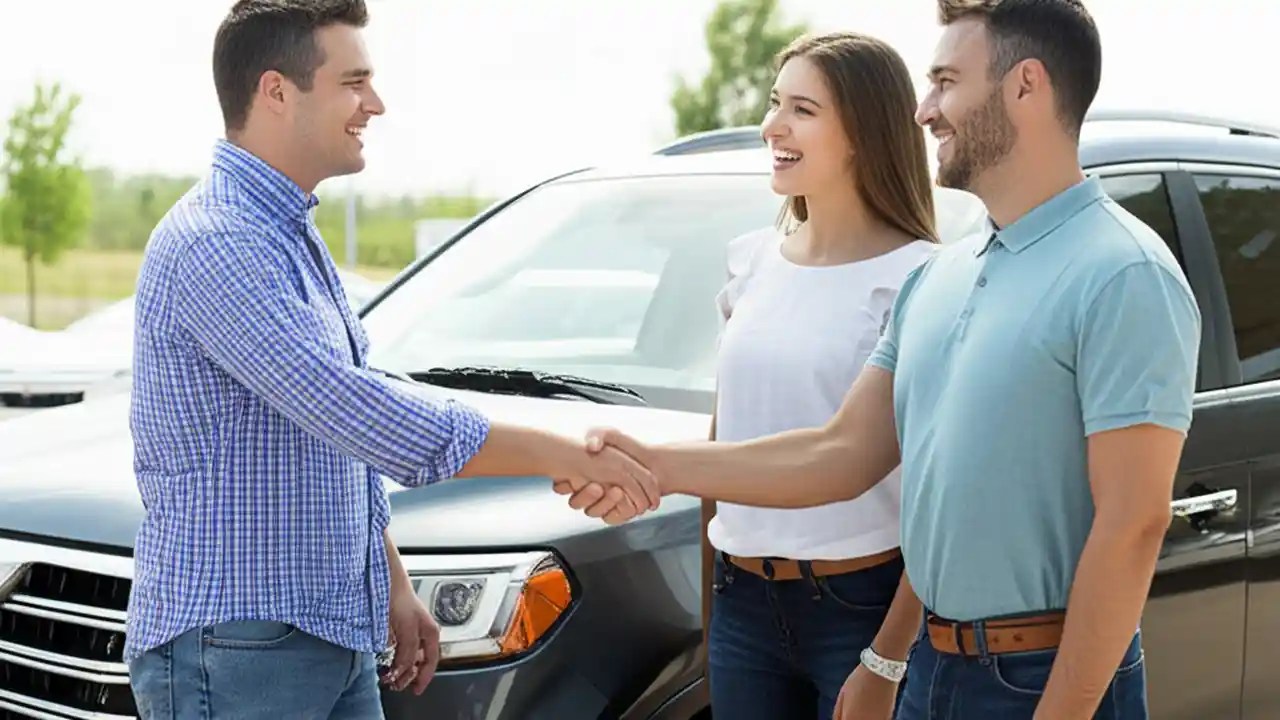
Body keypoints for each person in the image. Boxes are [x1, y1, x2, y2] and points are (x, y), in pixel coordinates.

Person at [560, 1, 1201, 717]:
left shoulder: (1122, 272)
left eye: (946, 82)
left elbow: (1133, 523)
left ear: (1026, 86)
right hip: (934, 672)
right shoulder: (941, 278)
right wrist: (649, 462)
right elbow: (838, 453)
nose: (924, 110)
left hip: (1043, 675)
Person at [124, 2, 657, 718]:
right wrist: (568, 452)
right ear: (276, 91)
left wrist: (392, 585)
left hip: (325, 632)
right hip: (241, 648)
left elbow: (338, 438)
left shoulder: (285, 231)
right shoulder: (218, 242)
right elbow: (358, 412)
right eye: (354, 82)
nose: (374, 104)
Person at [697, 31, 936, 720]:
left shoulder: (920, 278)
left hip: (859, 610)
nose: (773, 126)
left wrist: (889, 655)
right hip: (741, 606)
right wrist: (715, 619)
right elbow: (720, 457)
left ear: (864, 131)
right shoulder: (751, 263)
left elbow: (935, 493)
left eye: (802, 109)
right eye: (776, 104)